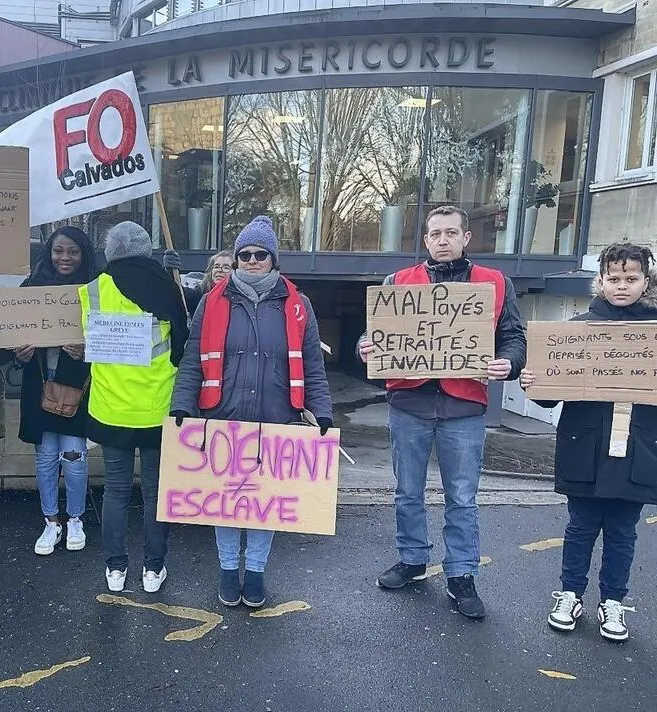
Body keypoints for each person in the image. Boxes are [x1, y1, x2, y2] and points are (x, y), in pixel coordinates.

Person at [358, 205, 526, 619]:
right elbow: (375, 332)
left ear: (466, 238)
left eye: (451, 233)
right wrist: (364, 344)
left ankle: (461, 574)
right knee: (407, 492)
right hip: (409, 404)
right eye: (435, 234)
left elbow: (513, 337)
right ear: (426, 240)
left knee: (462, 498)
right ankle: (413, 560)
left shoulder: (496, 283)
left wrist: (510, 362)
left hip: (464, 405)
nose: (443, 240)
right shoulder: (398, 282)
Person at [170, 216, 333, 607]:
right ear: (237, 258)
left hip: (277, 416)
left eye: (261, 254)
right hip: (223, 415)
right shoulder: (213, 301)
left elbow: (312, 362)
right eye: (245, 254)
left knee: (264, 502)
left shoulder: (298, 305)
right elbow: (193, 358)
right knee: (226, 501)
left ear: (273, 259)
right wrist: (182, 403)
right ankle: (229, 570)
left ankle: (255, 571)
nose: (252, 260)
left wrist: (322, 410)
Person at [520, 243, 657, 642]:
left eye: (631, 279)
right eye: (614, 279)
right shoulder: (576, 329)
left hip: (637, 449)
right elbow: (548, 393)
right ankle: (570, 594)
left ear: (645, 281)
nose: (622, 286)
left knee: (623, 532)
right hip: (586, 448)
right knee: (579, 527)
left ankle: (612, 601)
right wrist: (534, 382)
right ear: (600, 281)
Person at [79, 221, 189, 593]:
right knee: (156, 492)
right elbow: (182, 344)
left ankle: (115, 567)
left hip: (111, 409)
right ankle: (154, 568)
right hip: (158, 407)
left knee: (116, 490)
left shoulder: (92, 290)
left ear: (110, 251)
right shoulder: (166, 287)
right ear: (146, 249)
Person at [13, 227, 98, 555]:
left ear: (84, 254)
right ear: (48, 252)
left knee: (75, 459)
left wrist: (87, 351)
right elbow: (9, 337)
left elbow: (112, 341)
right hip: (38, 387)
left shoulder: (97, 290)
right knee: (46, 459)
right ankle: (51, 521)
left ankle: (75, 518)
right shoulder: (30, 288)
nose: (65, 258)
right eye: (59, 251)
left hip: (77, 387)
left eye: (73, 251)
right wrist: (20, 355)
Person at [163, 249, 233, 316]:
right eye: (216, 267)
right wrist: (171, 272)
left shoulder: (239, 299)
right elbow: (177, 295)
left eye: (226, 267)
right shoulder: (200, 294)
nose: (219, 270)